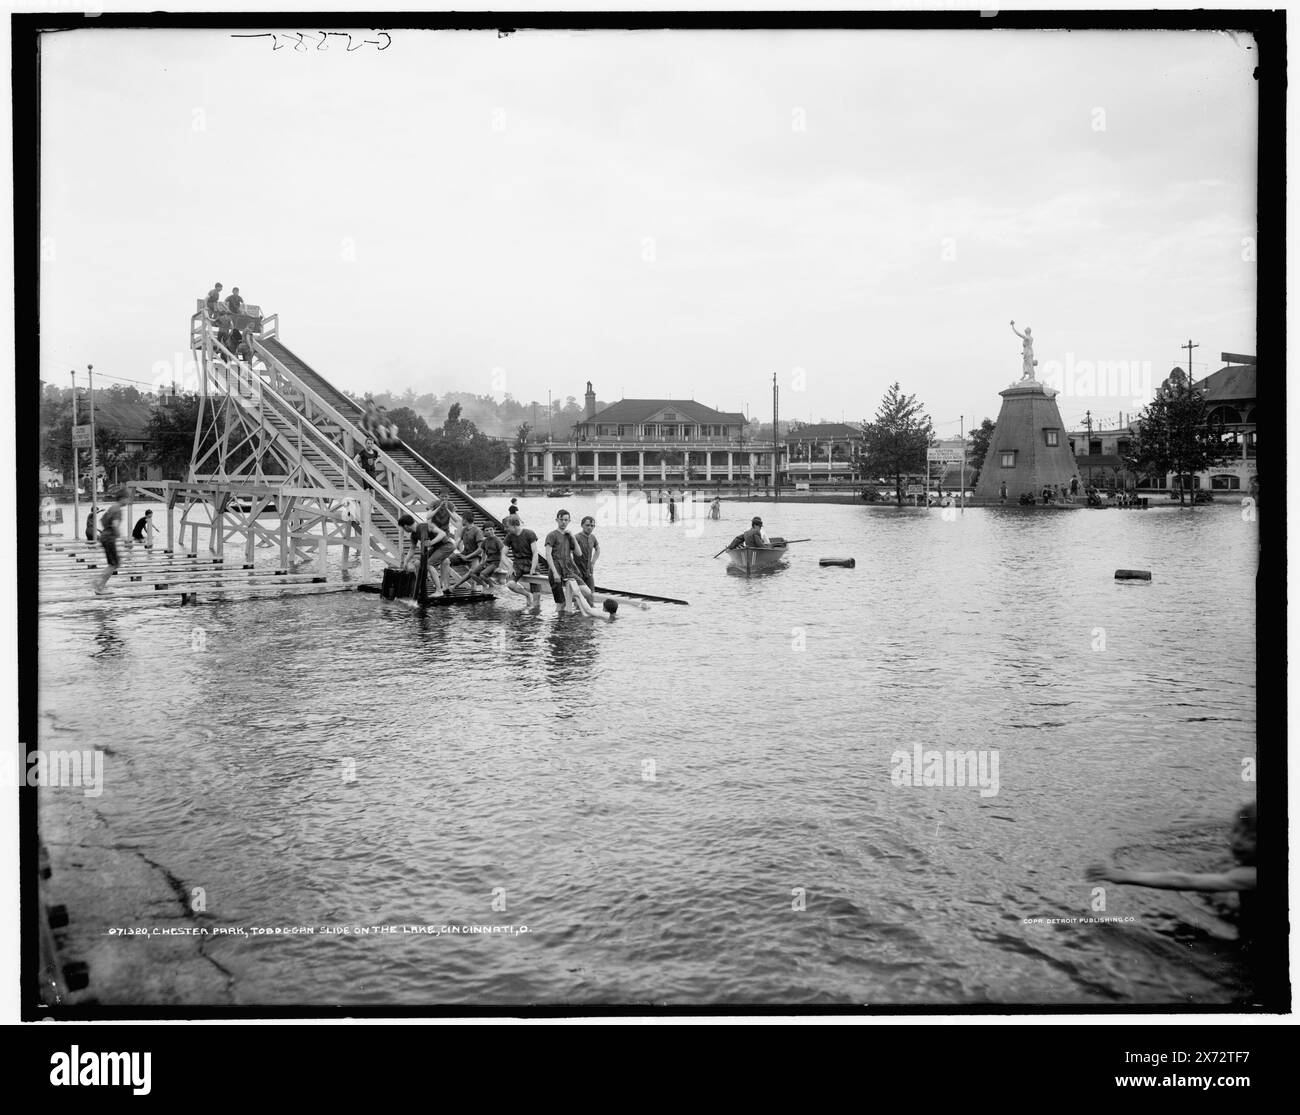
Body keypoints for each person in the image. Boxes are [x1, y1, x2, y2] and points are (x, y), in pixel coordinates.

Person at [1085, 803, 1257, 973]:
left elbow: (1185, 881)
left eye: (1250, 837)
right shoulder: (1245, 868)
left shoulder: (1249, 876)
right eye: (1236, 831)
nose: (1237, 841)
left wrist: (1121, 876)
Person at [397, 512, 448, 600]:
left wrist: (431, 542)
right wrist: (405, 562)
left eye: (403, 528)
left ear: (405, 526)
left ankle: (439, 591)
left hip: (446, 545)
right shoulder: (414, 534)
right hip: (436, 548)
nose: (404, 530)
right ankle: (420, 588)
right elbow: (412, 549)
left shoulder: (424, 527)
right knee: (417, 563)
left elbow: (443, 533)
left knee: (428, 564)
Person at [544, 509, 583, 616]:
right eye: (561, 520)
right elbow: (548, 555)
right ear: (557, 520)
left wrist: (573, 536)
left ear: (569, 521)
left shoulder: (568, 535)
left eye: (566, 520)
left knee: (587, 591)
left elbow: (579, 553)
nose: (564, 522)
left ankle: (570, 619)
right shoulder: (552, 535)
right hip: (555, 570)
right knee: (561, 604)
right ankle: (558, 627)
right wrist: (555, 572)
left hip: (568, 570)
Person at [503, 515, 545, 609]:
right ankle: (527, 595)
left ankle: (534, 617)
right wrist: (510, 567)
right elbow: (503, 554)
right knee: (510, 584)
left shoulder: (529, 533)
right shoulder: (509, 537)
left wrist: (533, 568)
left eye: (507, 526)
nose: (505, 529)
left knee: (537, 598)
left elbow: (535, 553)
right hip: (518, 564)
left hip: (531, 562)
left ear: (514, 525)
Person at [92, 489, 129, 594]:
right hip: (109, 538)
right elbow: (115, 525)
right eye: (127, 498)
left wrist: (107, 531)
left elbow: (102, 521)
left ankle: (99, 588)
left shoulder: (112, 507)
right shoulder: (117, 509)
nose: (128, 501)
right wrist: (122, 538)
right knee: (114, 563)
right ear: (122, 499)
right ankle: (97, 582)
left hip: (105, 536)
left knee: (113, 563)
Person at [448, 513, 485, 586]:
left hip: (474, 557)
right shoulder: (464, 529)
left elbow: (480, 549)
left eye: (462, 519)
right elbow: (459, 540)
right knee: (446, 561)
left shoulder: (477, 531)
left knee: (473, 572)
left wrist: (468, 557)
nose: (461, 521)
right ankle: (445, 584)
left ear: (465, 520)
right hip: (464, 554)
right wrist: (450, 550)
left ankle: (458, 586)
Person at [572, 515, 600, 592]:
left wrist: (593, 563)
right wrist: (573, 567)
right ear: (582, 525)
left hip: (588, 572)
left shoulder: (593, 537)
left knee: (591, 594)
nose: (590, 527)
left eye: (592, 526)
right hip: (578, 571)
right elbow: (569, 553)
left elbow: (597, 549)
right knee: (579, 595)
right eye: (587, 525)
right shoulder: (576, 537)